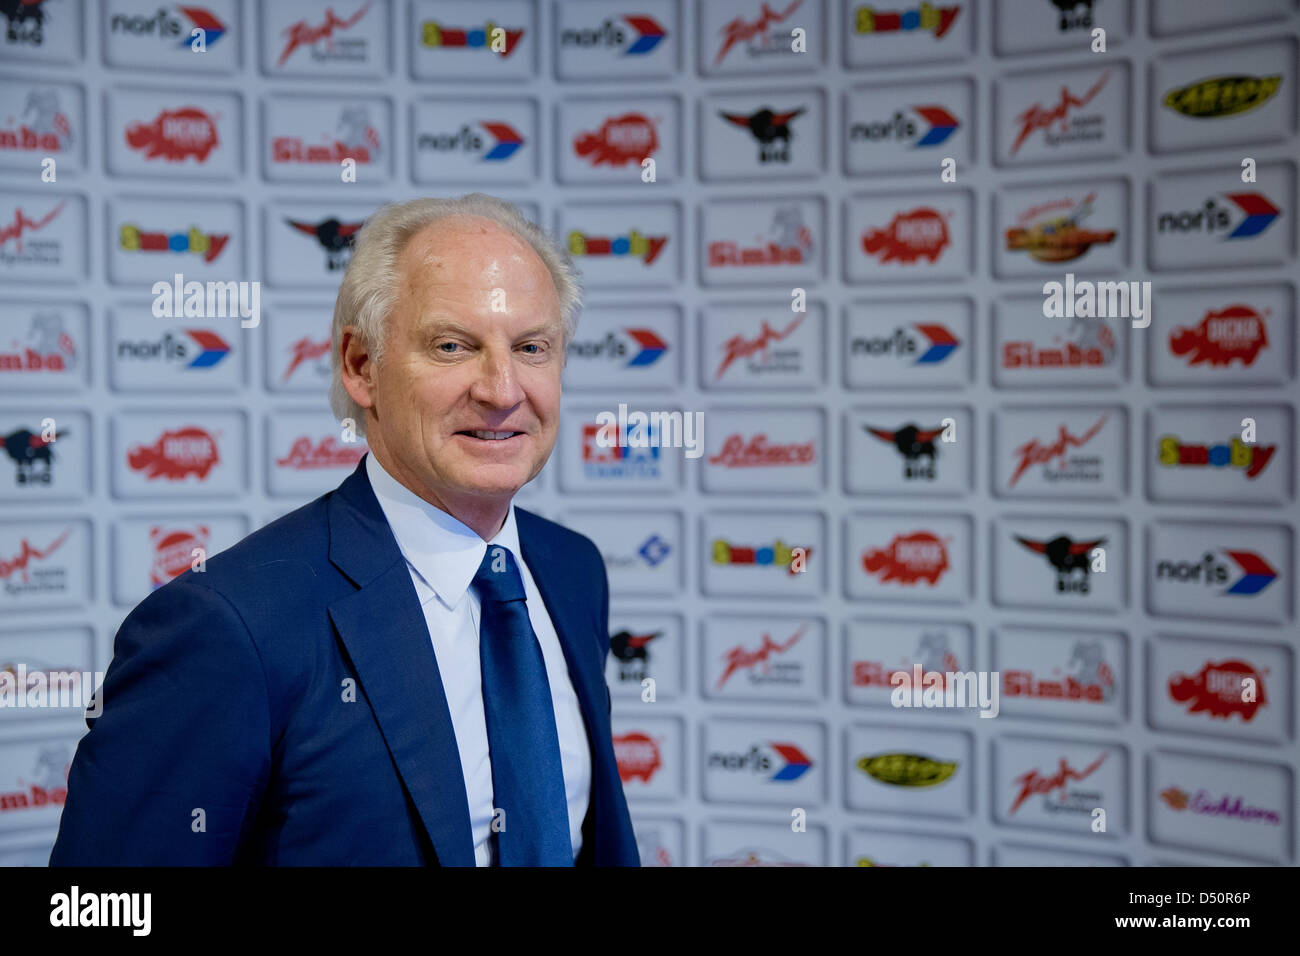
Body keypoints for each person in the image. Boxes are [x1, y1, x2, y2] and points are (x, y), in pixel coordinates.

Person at [50, 194, 639, 866]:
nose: (503, 389)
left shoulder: (572, 570)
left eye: (532, 347)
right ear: (361, 366)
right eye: (453, 346)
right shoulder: (227, 627)